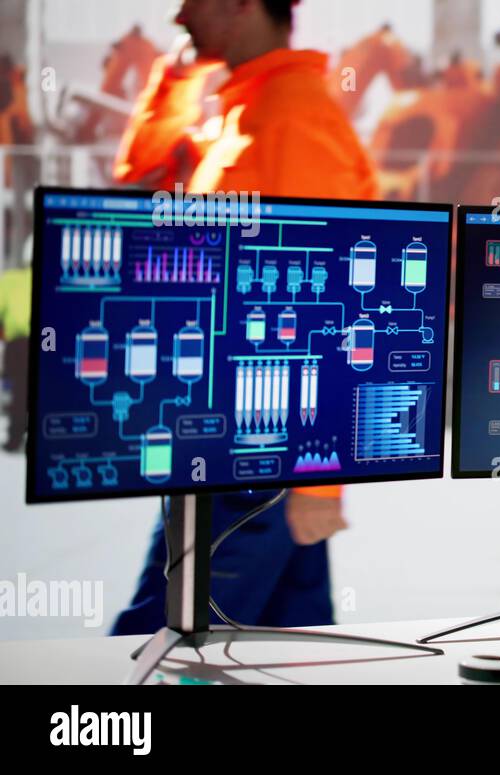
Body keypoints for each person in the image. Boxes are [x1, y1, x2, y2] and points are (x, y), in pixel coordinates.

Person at [111, 0, 375, 634]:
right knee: (286, 651)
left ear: (240, 5)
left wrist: (317, 483)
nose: (179, 16)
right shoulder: (243, 110)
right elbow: (134, 182)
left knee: (161, 643)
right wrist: (174, 83)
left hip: (259, 459)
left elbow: (336, 303)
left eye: (193, 0)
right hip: (229, 444)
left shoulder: (292, 119)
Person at [0, 236, 32, 452]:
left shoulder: (10, 280)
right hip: (50, 341)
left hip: (18, 344)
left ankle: (14, 439)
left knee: (19, 393)